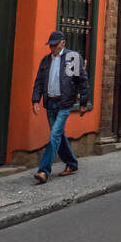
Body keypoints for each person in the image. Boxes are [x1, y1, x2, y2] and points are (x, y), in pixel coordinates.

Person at [31, 30, 90, 184]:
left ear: (63, 43)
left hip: (64, 103)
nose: (52, 48)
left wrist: (83, 103)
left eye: (55, 45)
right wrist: (35, 100)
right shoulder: (46, 60)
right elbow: (39, 82)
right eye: (50, 45)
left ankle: (43, 171)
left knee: (54, 135)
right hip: (50, 103)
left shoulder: (72, 58)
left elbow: (82, 81)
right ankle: (72, 163)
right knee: (59, 136)